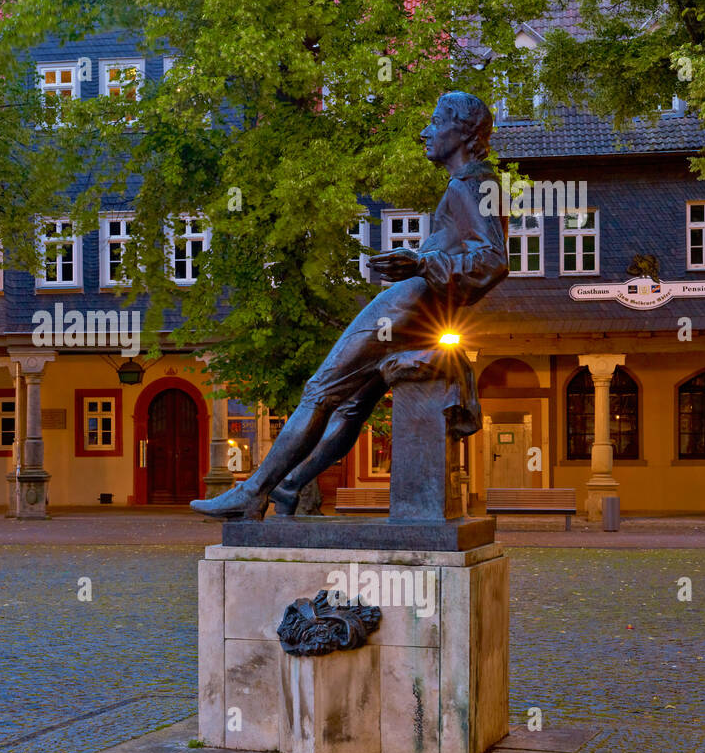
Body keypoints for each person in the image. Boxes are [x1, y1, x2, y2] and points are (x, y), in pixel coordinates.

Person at [191, 91, 508, 520]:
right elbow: (470, 251)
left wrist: (421, 260)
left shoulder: (473, 183)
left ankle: (253, 492)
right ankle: (287, 487)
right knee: (353, 403)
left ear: (464, 132)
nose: (425, 131)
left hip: (410, 306)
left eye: (435, 121)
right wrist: (422, 257)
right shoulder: (471, 183)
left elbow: (493, 260)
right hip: (425, 309)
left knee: (321, 390)